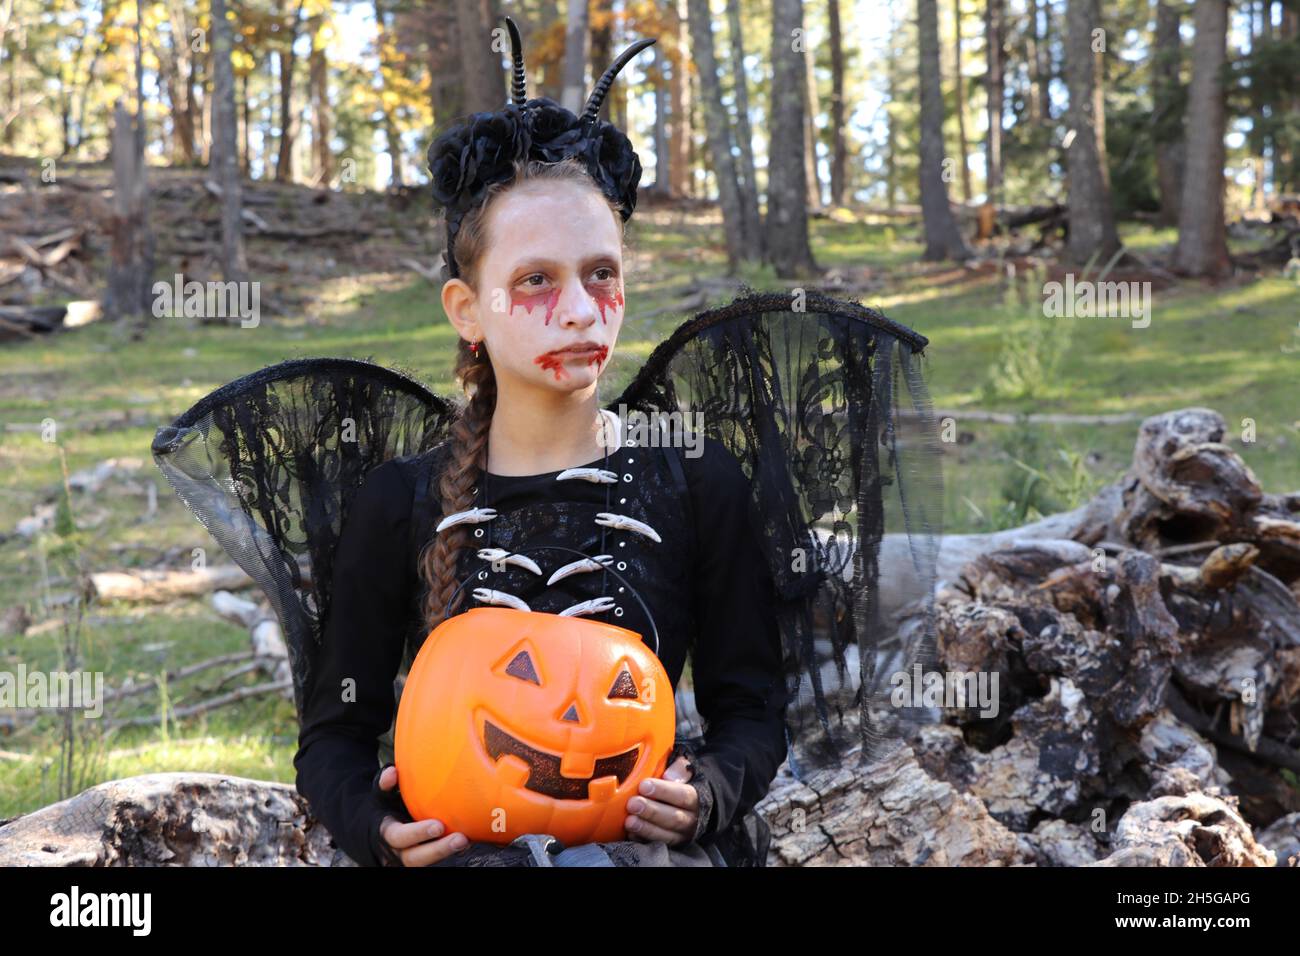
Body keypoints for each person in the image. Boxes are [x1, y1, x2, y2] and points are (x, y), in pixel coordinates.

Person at [292, 19, 789, 868]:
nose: (579, 310)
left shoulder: (698, 481)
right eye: (535, 281)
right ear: (466, 309)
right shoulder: (399, 502)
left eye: (602, 273)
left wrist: (706, 793)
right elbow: (336, 733)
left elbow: (752, 710)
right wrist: (376, 832)